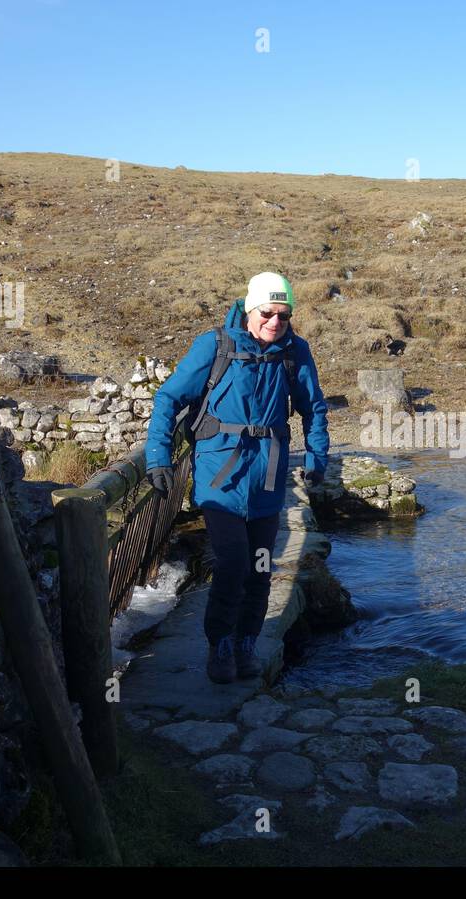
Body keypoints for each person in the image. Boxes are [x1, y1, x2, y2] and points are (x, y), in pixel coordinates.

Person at [144, 272, 329, 684]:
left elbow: (313, 407)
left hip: (266, 476)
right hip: (219, 476)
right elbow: (169, 397)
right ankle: (219, 645)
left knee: (261, 569)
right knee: (233, 562)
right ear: (251, 309)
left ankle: (247, 644)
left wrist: (318, 459)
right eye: (268, 312)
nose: (275, 322)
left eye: (284, 315)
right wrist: (157, 457)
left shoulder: (294, 352)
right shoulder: (214, 345)